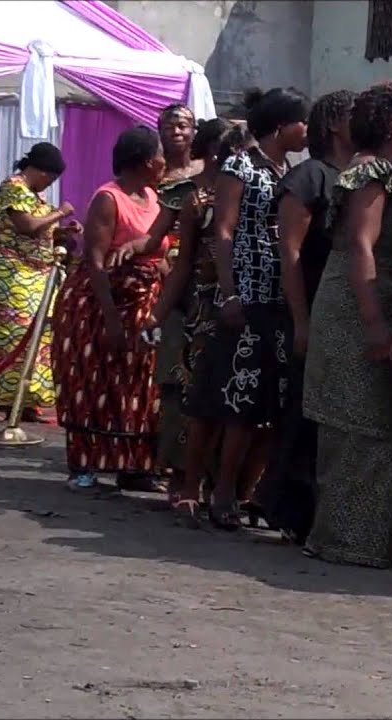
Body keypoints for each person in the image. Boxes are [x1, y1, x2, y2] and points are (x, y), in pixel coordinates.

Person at [303, 81, 392, 568]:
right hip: (360, 306)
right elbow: (361, 247)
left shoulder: (369, 172)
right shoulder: (371, 174)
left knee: (367, 425)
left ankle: (359, 540)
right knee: (363, 425)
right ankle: (351, 543)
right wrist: (374, 322)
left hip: (358, 300)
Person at [180, 87, 309, 530]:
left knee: (253, 404)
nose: (306, 130)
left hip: (274, 295)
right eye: (301, 121)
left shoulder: (284, 169)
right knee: (223, 398)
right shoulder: (239, 165)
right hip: (244, 294)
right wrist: (230, 293)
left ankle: (232, 489)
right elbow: (224, 230)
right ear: (281, 126)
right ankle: (203, 489)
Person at [253, 90, 356, 544]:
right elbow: (290, 250)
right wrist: (301, 320)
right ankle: (287, 506)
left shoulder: (354, 177)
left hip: (337, 314)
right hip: (309, 307)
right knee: (301, 414)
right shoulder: (310, 177)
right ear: (336, 124)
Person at [140, 119, 250, 521]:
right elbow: (181, 264)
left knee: (234, 401)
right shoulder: (196, 201)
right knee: (185, 397)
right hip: (198, 312)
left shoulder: (252, 200)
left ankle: (223, 484)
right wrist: (156, 314)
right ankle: (183, 477)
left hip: (244, 310)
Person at [52, 127, 166, 490]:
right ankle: (85, 463)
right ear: (149, 161)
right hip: (100, 302)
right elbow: (96, 260)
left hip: (144, 301)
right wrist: (111, 319)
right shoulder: (108, 198)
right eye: (161, 155)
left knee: (138, 386)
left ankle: (133, 466)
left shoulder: (154, 198)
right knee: (93, 381)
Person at [0, 142, 76, 420]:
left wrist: (63, 230)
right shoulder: (14, 188)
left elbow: (41, 231)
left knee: (39, 337)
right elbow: (27, 227)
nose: (50, 184)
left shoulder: (34, 196)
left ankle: (23, 398)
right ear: (42, 171)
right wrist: (62, 212)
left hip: (37, 274)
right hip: (11, 273)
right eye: (52, 178)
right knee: (11, 335)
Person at [150, 103, 202, 493]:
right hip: (156, 273)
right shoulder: (152, 174)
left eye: (183, 125)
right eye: (170, 125)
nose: (177, 132)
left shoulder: (204, 175)